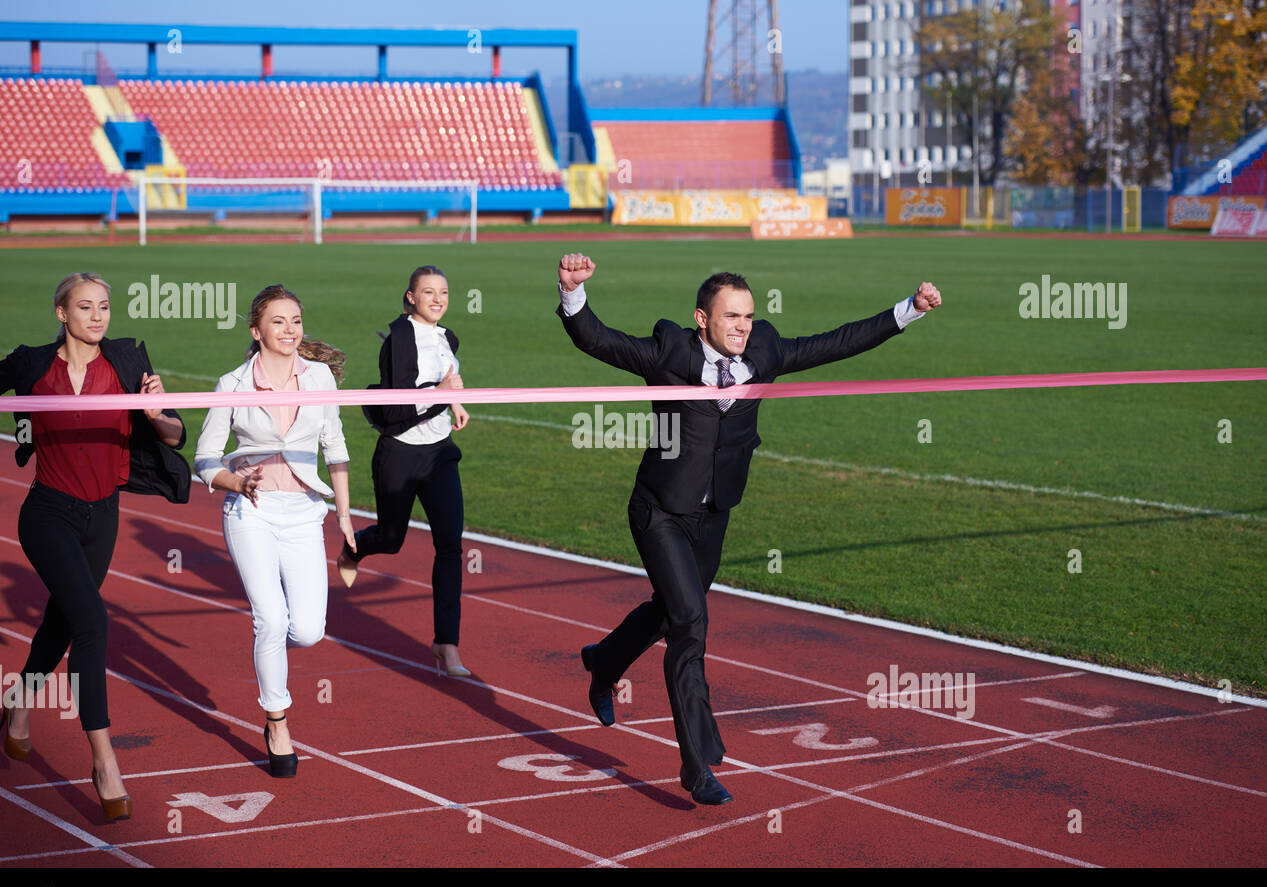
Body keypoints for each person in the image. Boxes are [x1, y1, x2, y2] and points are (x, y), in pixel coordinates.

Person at [555, 253, 943, 805]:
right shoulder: (669, 351)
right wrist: (573, 294)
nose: (742, 327)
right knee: (690, 623)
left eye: (748, 317)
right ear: (701, 319)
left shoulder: (764, 352)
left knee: (670, 613)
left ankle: (605, 662)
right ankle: (695, 765)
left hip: (715, 516)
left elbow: (837, 342)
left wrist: (909, 310)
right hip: (660, 511)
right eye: (731, 317)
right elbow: (599, 340)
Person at [0, 272, 190, 822]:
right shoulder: (31, 364)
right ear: (61, 315)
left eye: (104, 307)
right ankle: (104, 761)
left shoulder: (124, 362)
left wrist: (155, 414)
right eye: (85, 307)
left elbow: (173, 434)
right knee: (93, 623)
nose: (98, 317)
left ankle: (19, 702)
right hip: (47, 512)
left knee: (64, 621)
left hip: (104, 515)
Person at [193, 284, 353, 778]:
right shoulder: (232, 384)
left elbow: (336, 447)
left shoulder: (320, 376)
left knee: (306, 630)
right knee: (269, 617)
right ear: (256, 330)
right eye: (279, 321)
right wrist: (236, 481)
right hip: (253, 510)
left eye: (296, 320)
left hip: (305, 512)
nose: (290, 330)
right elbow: (203, 459)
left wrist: (345, 517)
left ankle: (275, 677)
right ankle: (277, 720)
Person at [339, 265, 471, 678]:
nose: (438, 299)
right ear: (410, 297)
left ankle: (446, 644)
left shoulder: (448, 336)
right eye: (428, 292)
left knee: (450, 545)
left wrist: (455, 404)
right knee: (392, 538)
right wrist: (441, 394)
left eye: (444, 293)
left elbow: (447, 380)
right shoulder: (398, 338)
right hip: (399, 451)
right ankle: (357, 547)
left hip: (438, 454)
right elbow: (396, 409)